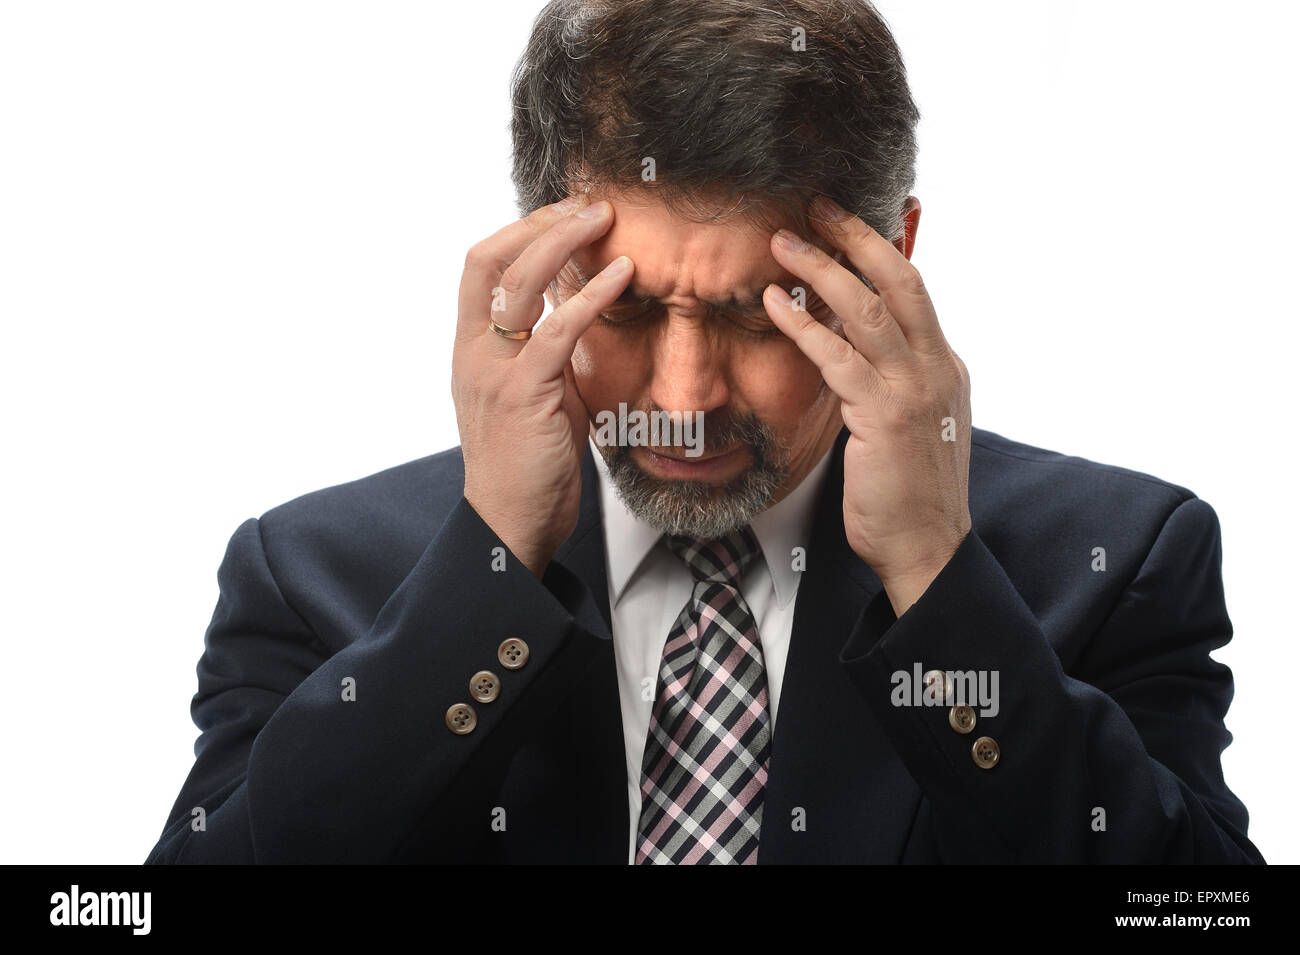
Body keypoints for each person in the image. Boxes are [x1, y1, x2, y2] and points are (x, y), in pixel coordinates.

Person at [146, 0, 1263, 864]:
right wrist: (489, 564)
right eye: (623, 307)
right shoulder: (313, 574)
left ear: (893, 254)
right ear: (538, 254)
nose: (681, 398)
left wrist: (935, 579)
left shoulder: (1117, 558)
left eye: (754, 316)